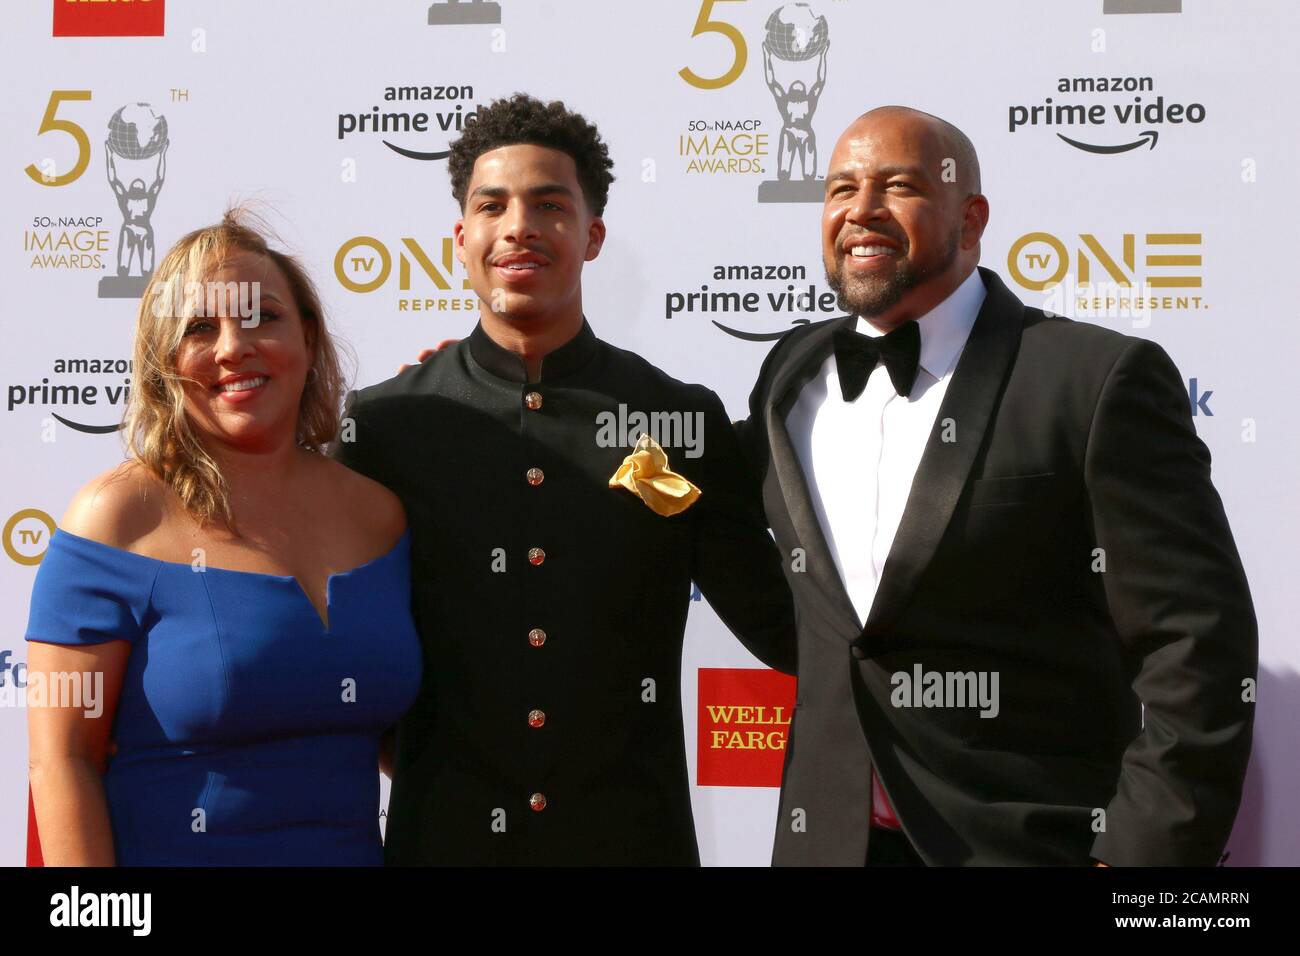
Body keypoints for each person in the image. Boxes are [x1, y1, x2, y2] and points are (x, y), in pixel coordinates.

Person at [740, 105, 1257, 866]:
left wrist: (1139, 857)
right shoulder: (790, 375)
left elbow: (1198, 643)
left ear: (971, 218)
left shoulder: (1092, 381)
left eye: (898, 186)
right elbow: (816, 616)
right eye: (841, 188)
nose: (860, 211)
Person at [330, 93, 796, 866]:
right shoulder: (383, 428)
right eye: (493, 206)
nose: (519, 226)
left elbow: (782, 623)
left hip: (631, 843)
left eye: (550, 204)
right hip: (443, 841)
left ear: (593, 235)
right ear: (461, 238)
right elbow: (342, 655)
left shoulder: (679, 417)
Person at [25, 210, 420, 866]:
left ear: (310, 337)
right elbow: (61, 762)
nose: (234, 347)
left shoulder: (377, 516)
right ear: (165, 358)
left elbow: (407, 744)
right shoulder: (117, 518)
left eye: (262, 316)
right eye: (200, 328)